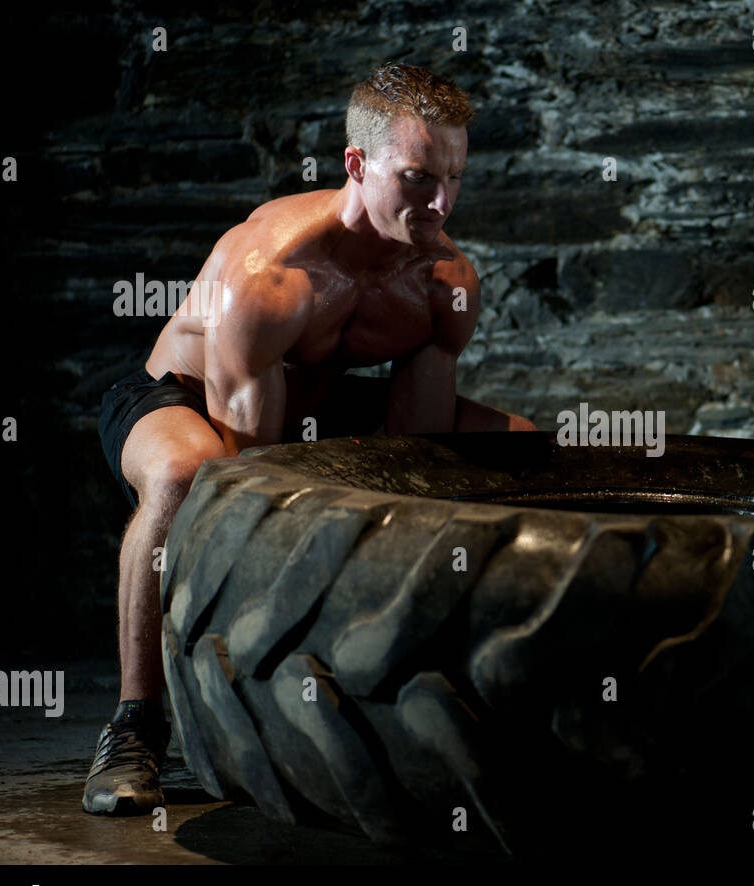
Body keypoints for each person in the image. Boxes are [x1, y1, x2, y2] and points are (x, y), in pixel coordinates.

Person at [86, 62, 534, 814]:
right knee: (184, 474)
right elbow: (244, 484)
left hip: (319, 413)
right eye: (420, 178)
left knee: (525, 445)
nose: (442, 202)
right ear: (357, 165)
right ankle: (137, 723)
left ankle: (457, 699)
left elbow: (412, 453)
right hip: (184, 403)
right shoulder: (268, 277)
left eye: (455, 178)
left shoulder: (444, 282)